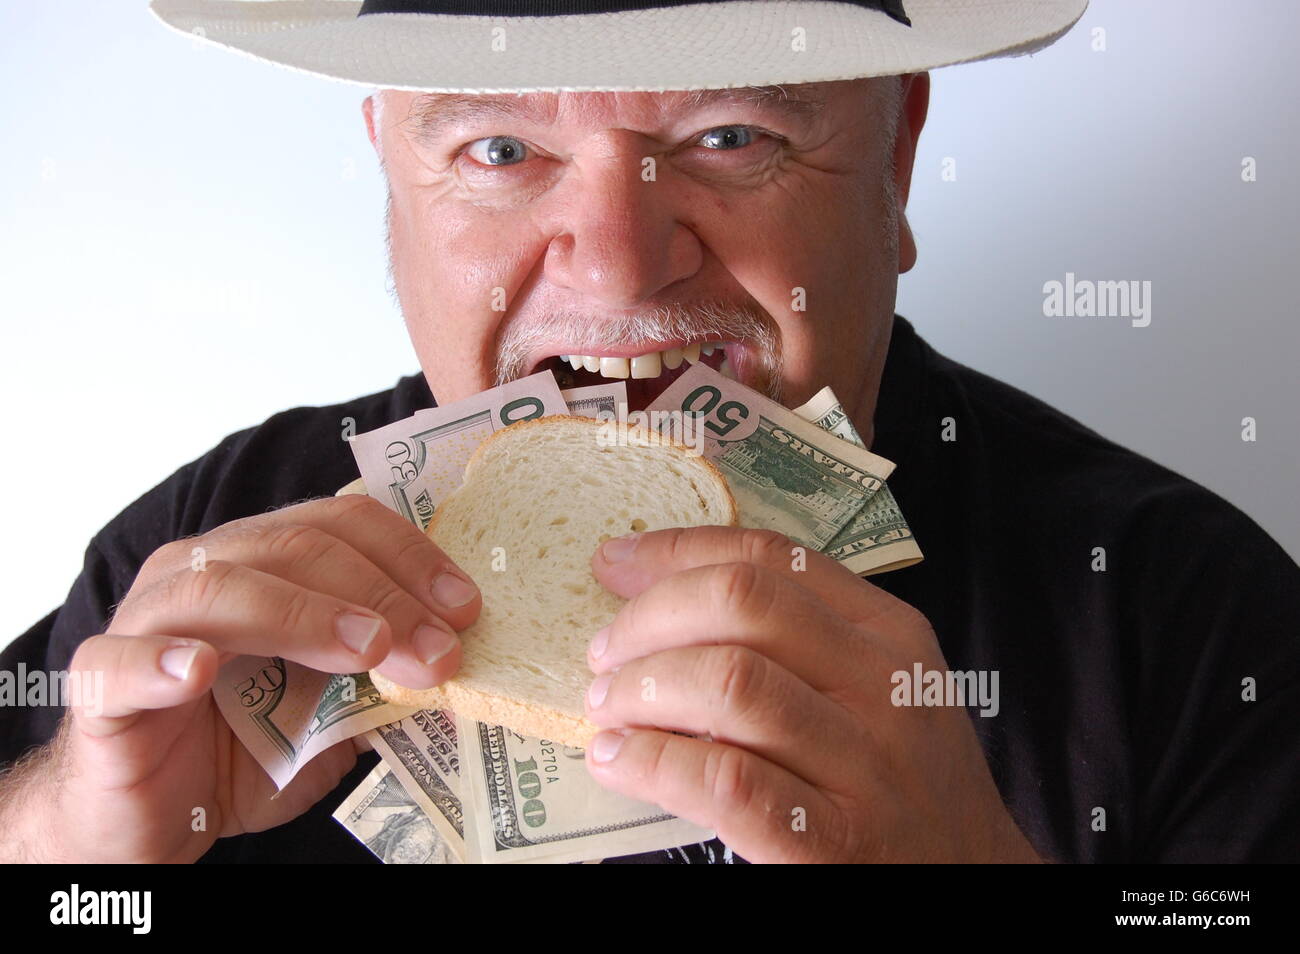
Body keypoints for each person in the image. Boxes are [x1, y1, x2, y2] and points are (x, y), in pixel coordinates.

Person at [2, 0, 1297, 864]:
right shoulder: (202, 552)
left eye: (734, 136)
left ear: (898, 159)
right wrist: (68, 847)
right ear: (391, 175)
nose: (619, 259)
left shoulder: (1192, 619)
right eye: (502, 148)